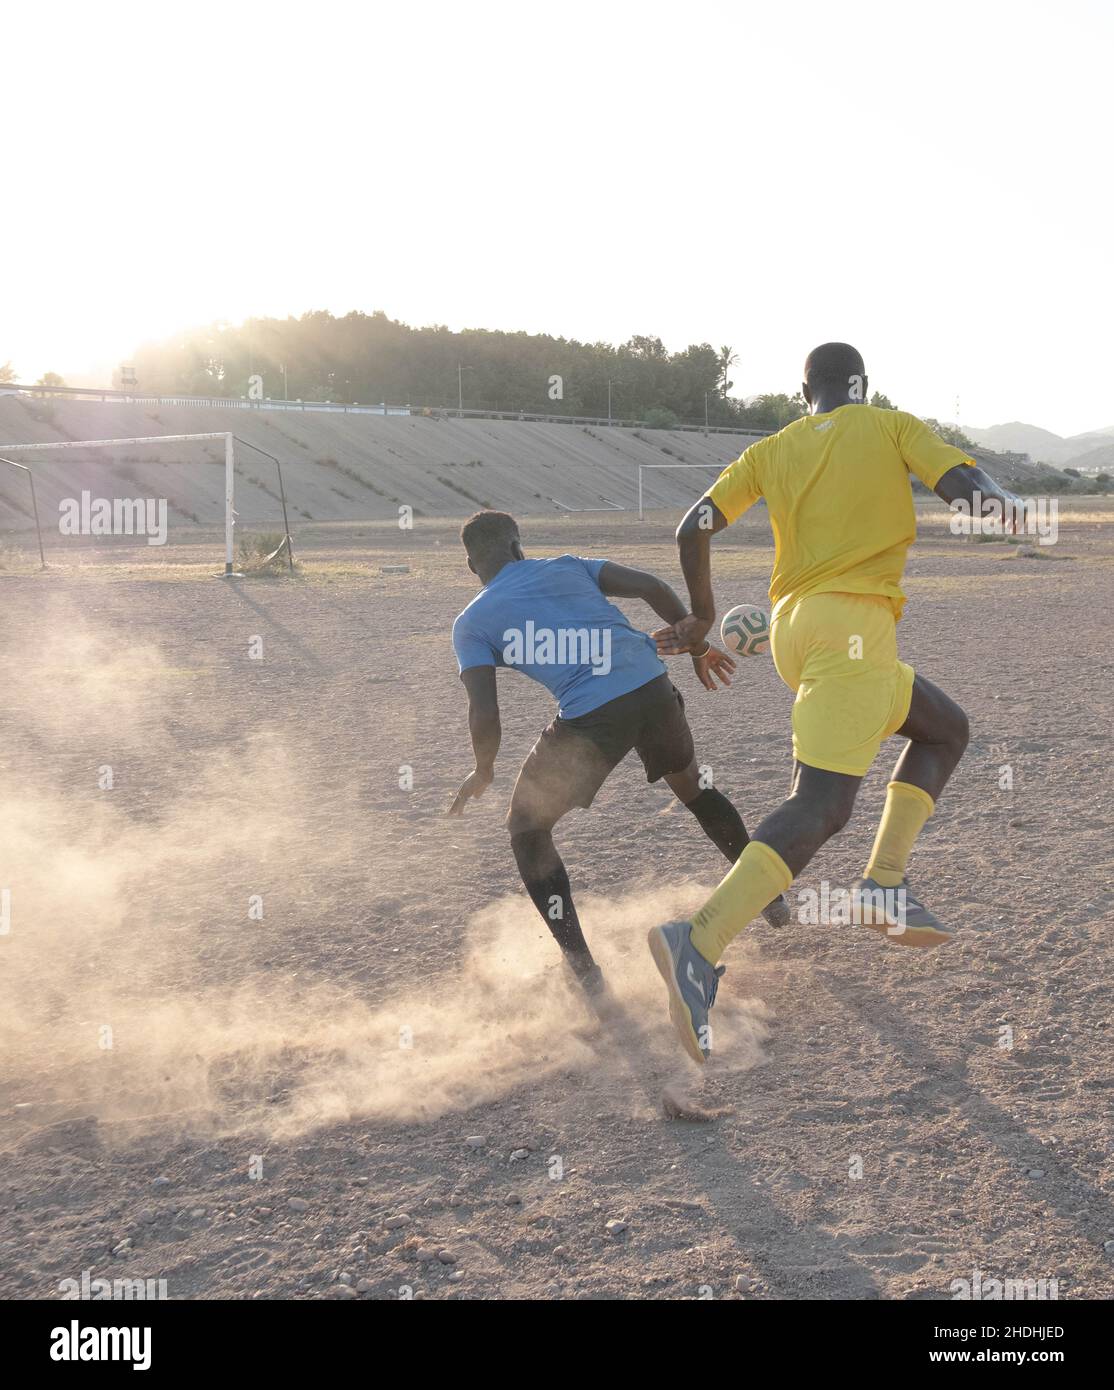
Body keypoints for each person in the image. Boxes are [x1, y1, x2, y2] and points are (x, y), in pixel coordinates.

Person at [648, 343, 1023, 1064]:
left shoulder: (772, 448)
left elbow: (693, 525)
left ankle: (884, 883)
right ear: (863, 386)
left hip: (797, 629)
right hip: (851, 626)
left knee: (944, 729)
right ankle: (697, 941)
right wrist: (1008, 506)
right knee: (821, 804)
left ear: (804, 393)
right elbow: (965, 484)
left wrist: (703, 614)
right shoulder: (890, 425)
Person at [447, 509, 790, 1000]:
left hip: (593, 717)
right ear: (518, 547)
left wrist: (483, 770)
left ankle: (583, 969)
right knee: (694, 787)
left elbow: (484, 710)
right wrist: (695, 645)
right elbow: (652, 586)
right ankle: (768, 896)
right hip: (652, 688)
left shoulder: (470, 623)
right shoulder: (568, 565)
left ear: (471, 566)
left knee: (526, 828)